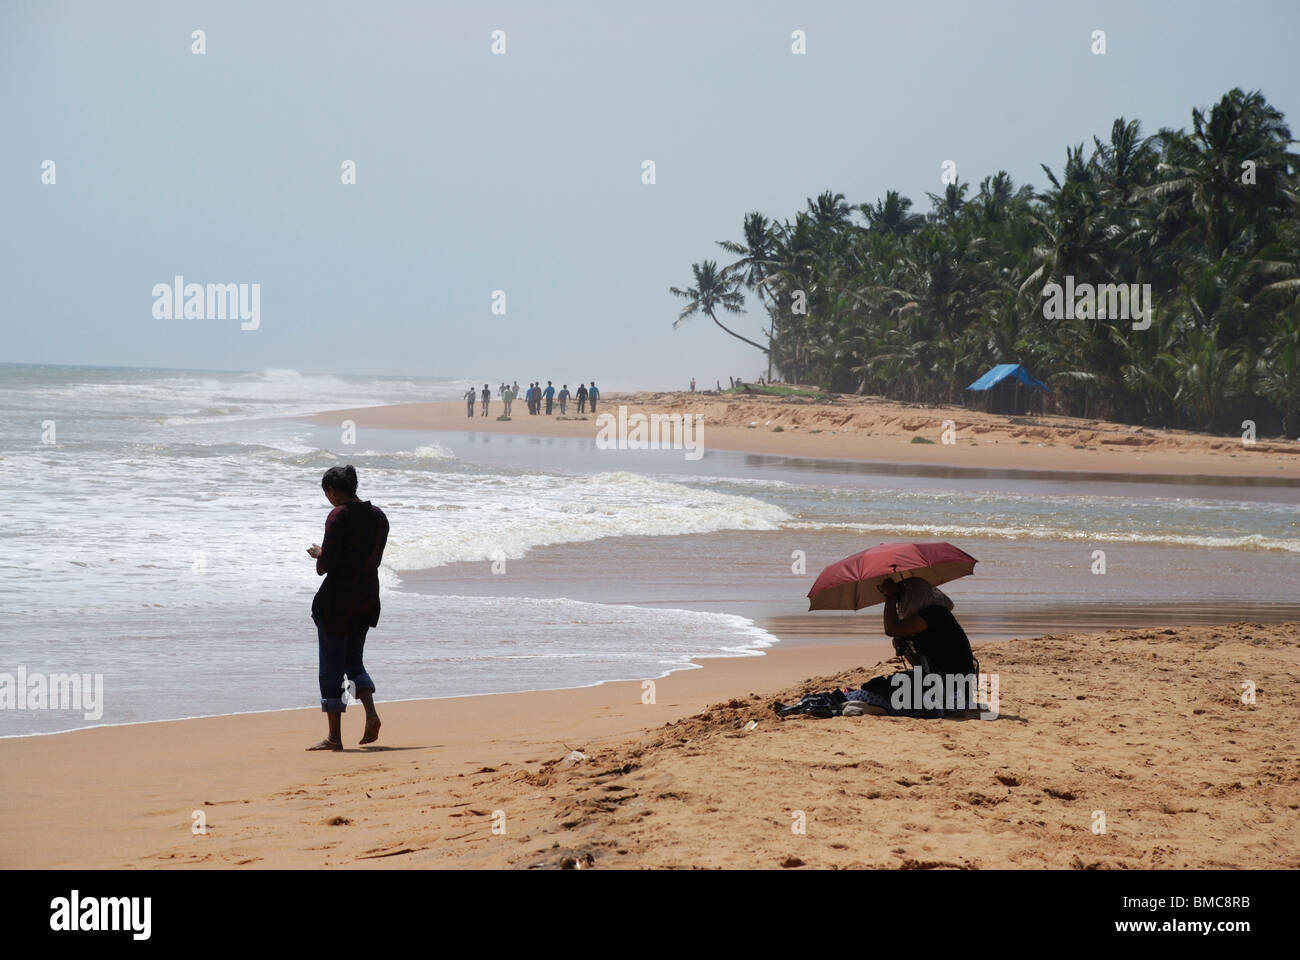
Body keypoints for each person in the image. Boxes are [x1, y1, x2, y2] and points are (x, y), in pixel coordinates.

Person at [306, 465, 389, 750]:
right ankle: (372, 714)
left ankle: (334, 737)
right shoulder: (378, 516)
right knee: (354, 662)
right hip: (366, 597)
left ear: (332, 491)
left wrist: (320, 554)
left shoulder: (338, 516)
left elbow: (327, 565)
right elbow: (371, 558)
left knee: (331, 669)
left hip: (337, 601)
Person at [871, 578, 978, 716]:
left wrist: (890, 595)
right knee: (890, 684)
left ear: (914, 596)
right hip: (954, 692)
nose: (899, 605)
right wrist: (907, 651)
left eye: (900, 598)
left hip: (953, 695)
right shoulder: (930, 618)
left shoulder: (933, 615)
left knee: (885, 691)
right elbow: (924, 669)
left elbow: (891, 629)